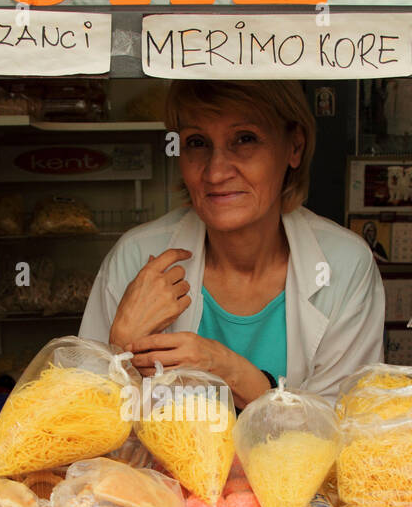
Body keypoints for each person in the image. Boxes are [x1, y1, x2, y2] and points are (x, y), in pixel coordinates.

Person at [79, 80, 384, 405]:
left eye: (245, 139)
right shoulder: (136, 257)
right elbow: (85, 425)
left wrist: (228, 370)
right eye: (197, 142)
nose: (215, 172)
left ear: (294, 146)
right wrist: (119, 347)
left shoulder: (344, 264)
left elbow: (345, 429)